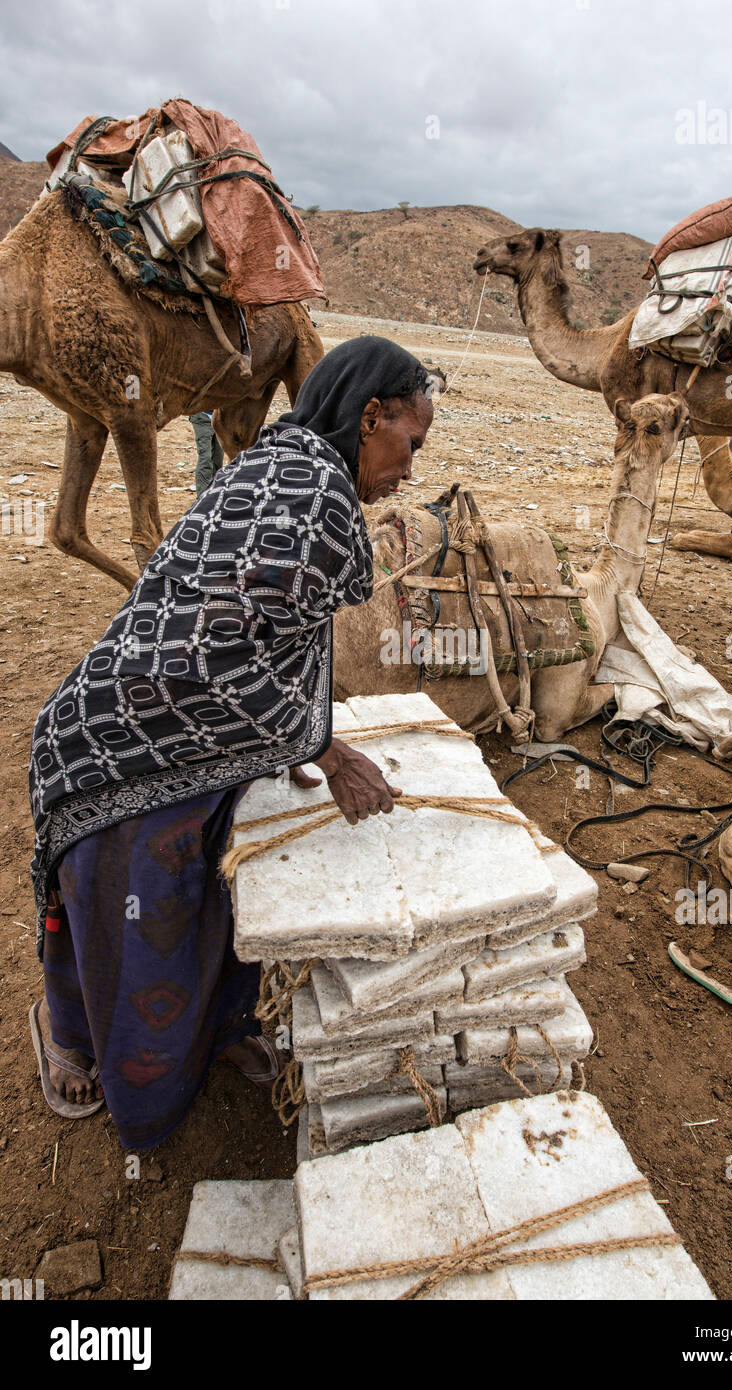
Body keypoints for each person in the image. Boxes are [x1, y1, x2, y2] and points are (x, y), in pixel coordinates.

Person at [28, 337, 435, 1150]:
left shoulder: (282, 464)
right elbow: (212, 654)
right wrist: (323, 747)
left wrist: (307, 738)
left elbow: (269, 635)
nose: (410, 470)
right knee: (134, 923)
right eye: (410, 443)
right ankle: (71, 1037)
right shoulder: (310, 489)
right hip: (123, 743)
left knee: (203, 901)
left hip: (158, 732)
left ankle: (209, 1035)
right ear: (369, 416)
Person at [188, 411, 224, 495]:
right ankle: (202, 496)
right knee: (205, 458)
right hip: (202, 418)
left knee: (218, 458)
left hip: (218, 418)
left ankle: (214, 492)